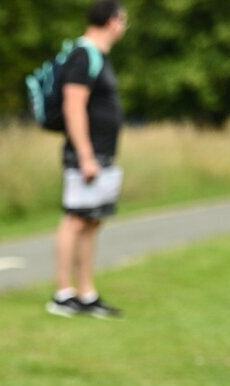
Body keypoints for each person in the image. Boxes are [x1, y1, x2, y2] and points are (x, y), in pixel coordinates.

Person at [47, 1, 128, 318]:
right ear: (112, 21)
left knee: (92, 221)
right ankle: (63, 293)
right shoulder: (84, 54)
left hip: (101, 154)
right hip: (87, 155)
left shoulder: (97, 56)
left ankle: (86, 293)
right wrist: (85, 155)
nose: (124, 27)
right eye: (123, 20)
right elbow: (73, 106)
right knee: (75, 219)